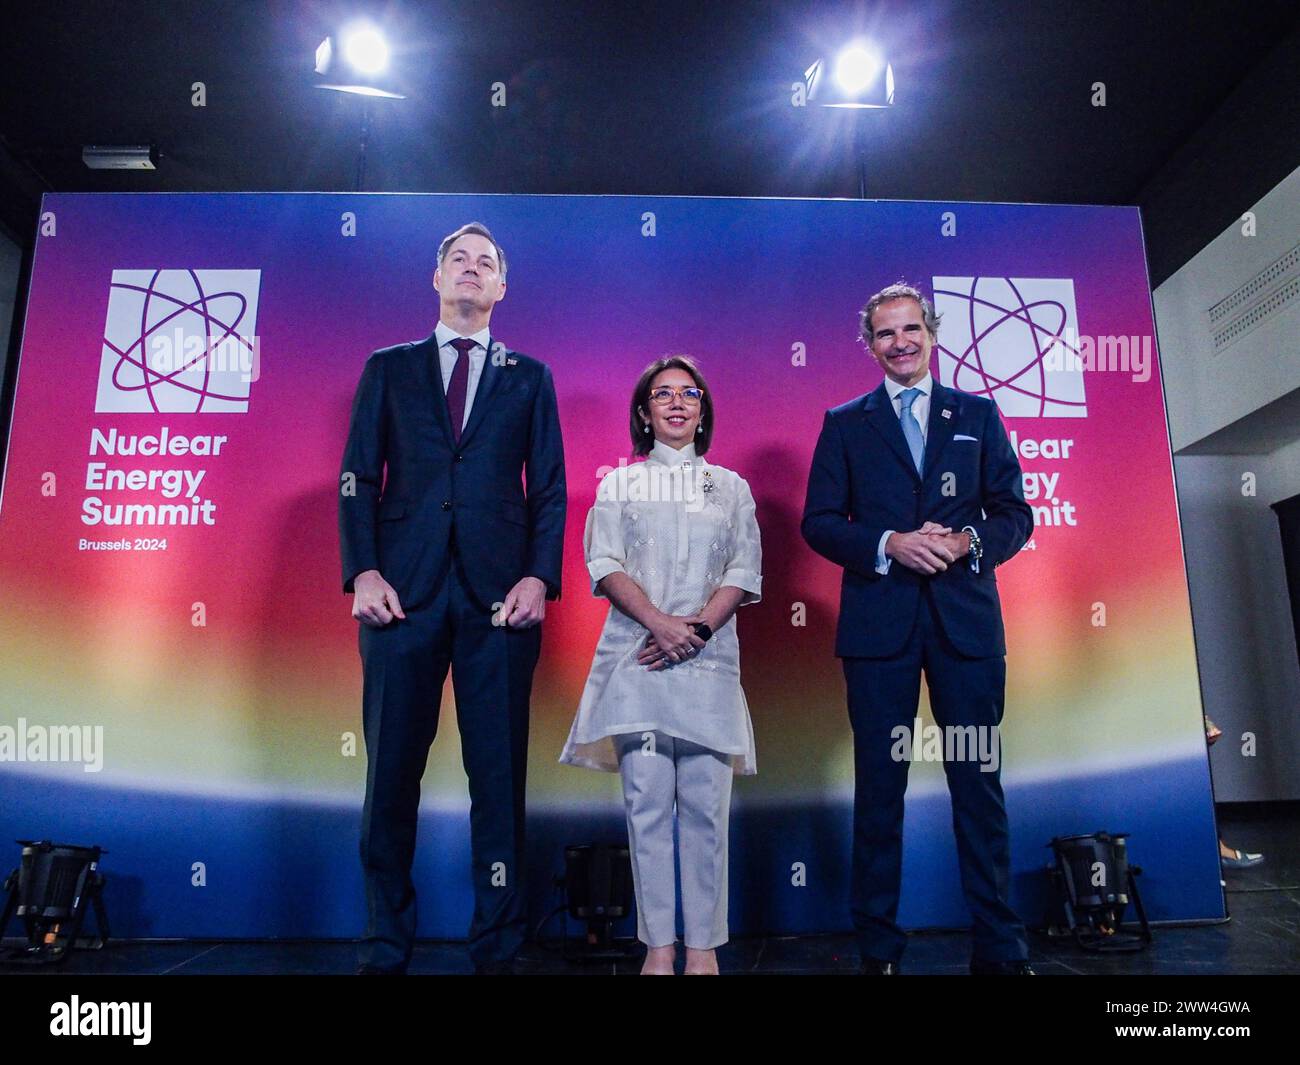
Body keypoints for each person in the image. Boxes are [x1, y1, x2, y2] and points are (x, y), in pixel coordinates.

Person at [339, 222, 566, 975]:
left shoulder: (530, 376)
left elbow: (551, 490)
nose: (472, 271)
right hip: (399, 597)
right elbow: (357, 480)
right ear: (436, 278)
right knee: (391, 777)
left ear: (502, 288)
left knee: (498, 785)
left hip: (502, 603)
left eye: (486, 264)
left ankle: (498, 947)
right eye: (459, 261)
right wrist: (363, 572)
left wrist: (539, 576)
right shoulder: (387, 368)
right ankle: (384, 945)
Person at [801, 281, 1034, 975]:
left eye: (911, 329)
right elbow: (818, 521)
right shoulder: (845, 422)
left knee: (978, 788)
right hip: (880, 633)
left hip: (965, 630)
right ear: (868, 344)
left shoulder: (979, 414)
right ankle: (878, 951)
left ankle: (998, 947)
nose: (899, 343)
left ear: (930, 333)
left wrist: (965, 541)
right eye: (885, 334)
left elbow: (1014, 514)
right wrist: (888, 544)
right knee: (879, 792)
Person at [561, 356, 762, 976]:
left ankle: (702, 950)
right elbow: (604, 563)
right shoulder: (619, 484)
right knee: (647, 807)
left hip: (707, 661)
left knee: (706, 809)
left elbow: (743, 571)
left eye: (689, 395)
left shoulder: (730, 487)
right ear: (644, 412)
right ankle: (658, 948)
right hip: (638, 659)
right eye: (662, 395)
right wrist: (660, 623)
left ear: (702, 410)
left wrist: (696, 629)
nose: (676, 403)